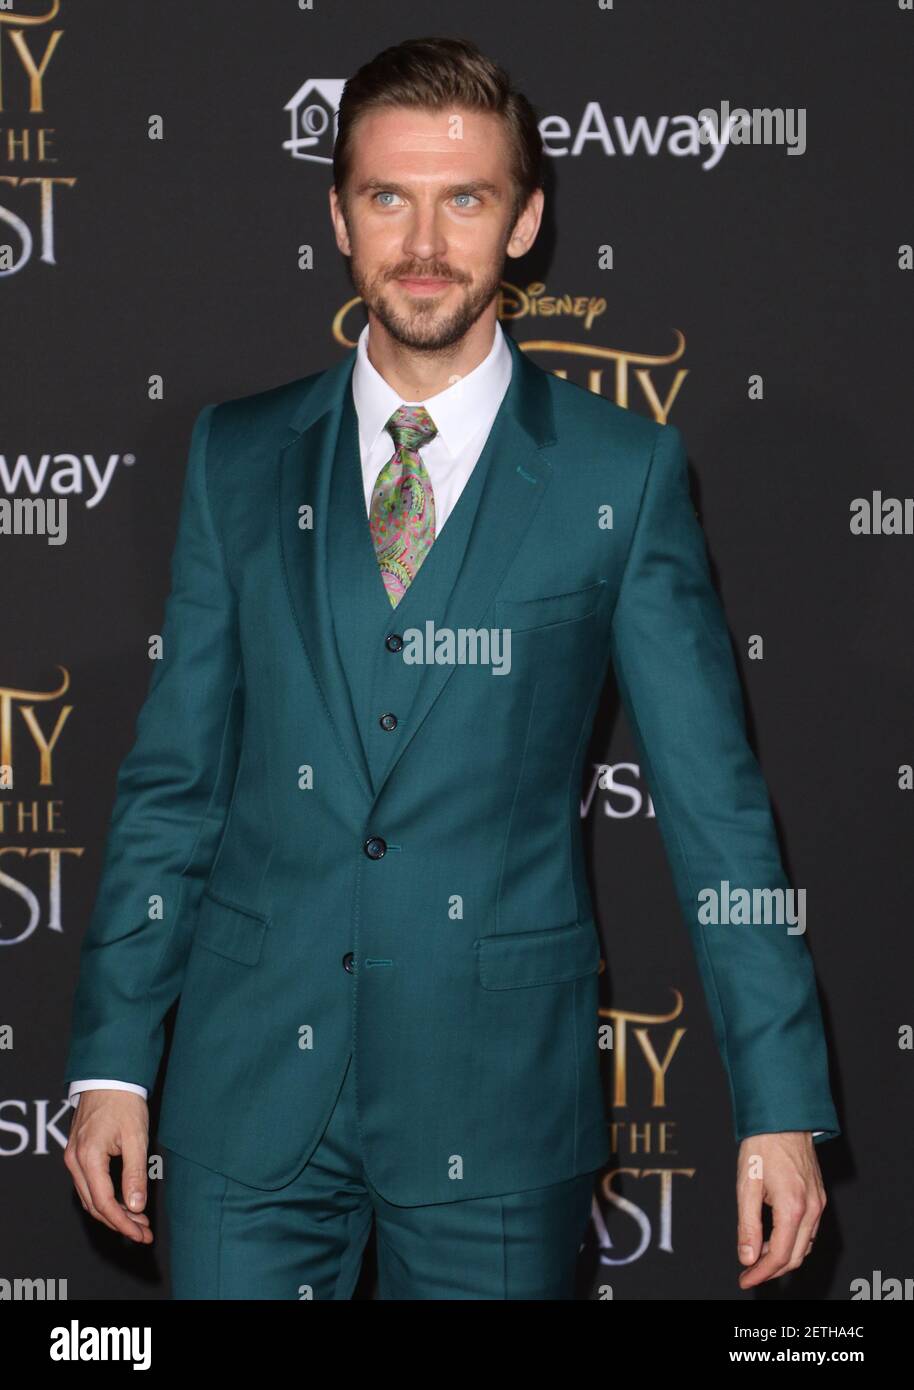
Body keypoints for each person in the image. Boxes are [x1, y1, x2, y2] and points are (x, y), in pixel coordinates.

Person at [63, 35, 839, 1300]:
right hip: (242, 1097)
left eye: (463, 199)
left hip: (496, 1101)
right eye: (387, 197)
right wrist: (110, 1062)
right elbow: (175, 783)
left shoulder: (617, 475)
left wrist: (779, 1099)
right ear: (337, 215)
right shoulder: (235, 457)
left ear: (524, 222)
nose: (423, 242)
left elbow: (713, 809)